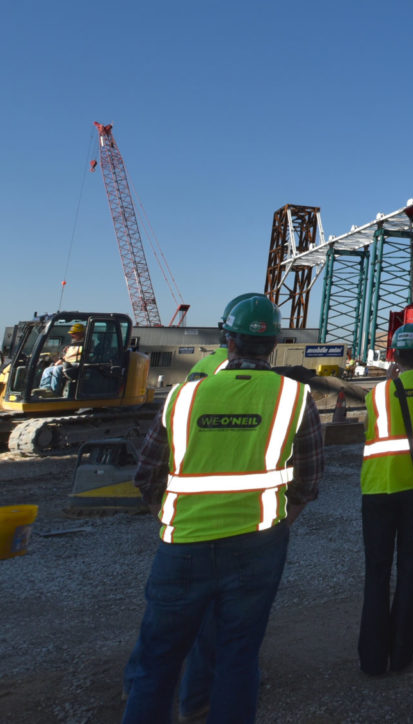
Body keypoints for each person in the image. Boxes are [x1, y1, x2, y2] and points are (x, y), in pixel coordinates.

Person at [122, 294, 322, 724]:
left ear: (227, 340)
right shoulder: (294, 397)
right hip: (258, 545)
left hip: (183, 547)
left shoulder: (183, 397)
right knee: (238, 658)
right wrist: (278, 522)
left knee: (157, 662)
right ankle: (202, 706)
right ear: (273, 345)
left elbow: (147, 475)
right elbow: (308, 481)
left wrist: (174, 514)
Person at [358, 322, 413, 676]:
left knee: (377, 572)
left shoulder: (379, 393)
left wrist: (391, 380)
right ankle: (402, 654)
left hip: (380, 488)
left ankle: (372, 658)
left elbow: (371, 431)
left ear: (393, 354)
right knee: (410, 571)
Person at [38, 320, 86, 392]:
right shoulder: (71, 345)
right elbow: (65, 357)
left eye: (74, 333)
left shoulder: (85, 344)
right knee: (47, 370)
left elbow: (82, 356)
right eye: (71, 333)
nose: (71, 335)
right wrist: (57, 362)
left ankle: (54, 391)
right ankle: (45, 389)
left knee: (57, 369)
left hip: (77, 364)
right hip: (67, 364)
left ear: (81, 333)